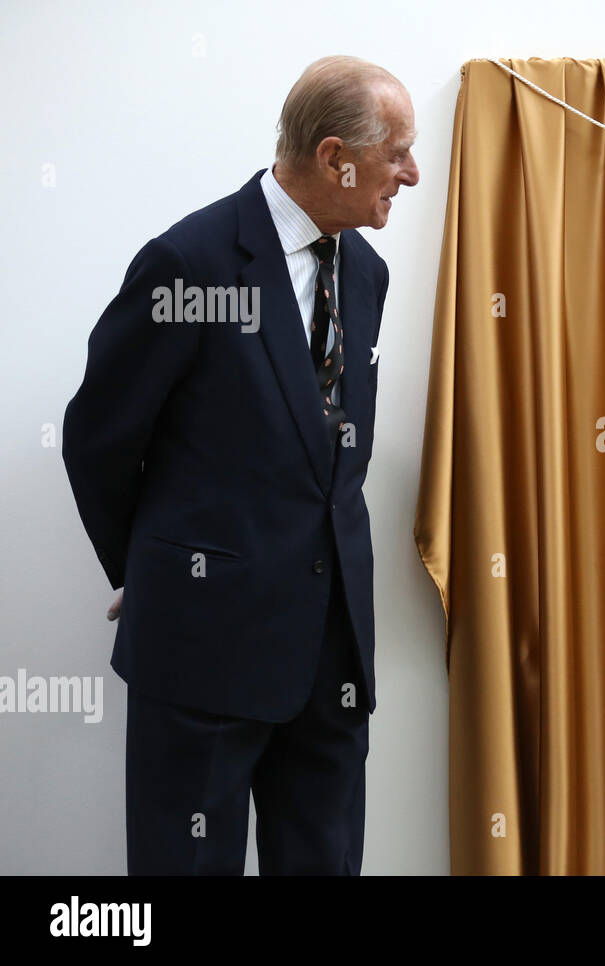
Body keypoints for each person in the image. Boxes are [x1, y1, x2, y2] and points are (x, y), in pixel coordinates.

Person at [62, 55, 418, 874]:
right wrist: (150, 572)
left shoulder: (367, 272)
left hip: (333, 668)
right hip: (199, 659)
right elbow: (98, 438)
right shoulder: (188, 262)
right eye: (397, 150)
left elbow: (323, 456)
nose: (412, 171)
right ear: (335, 158)